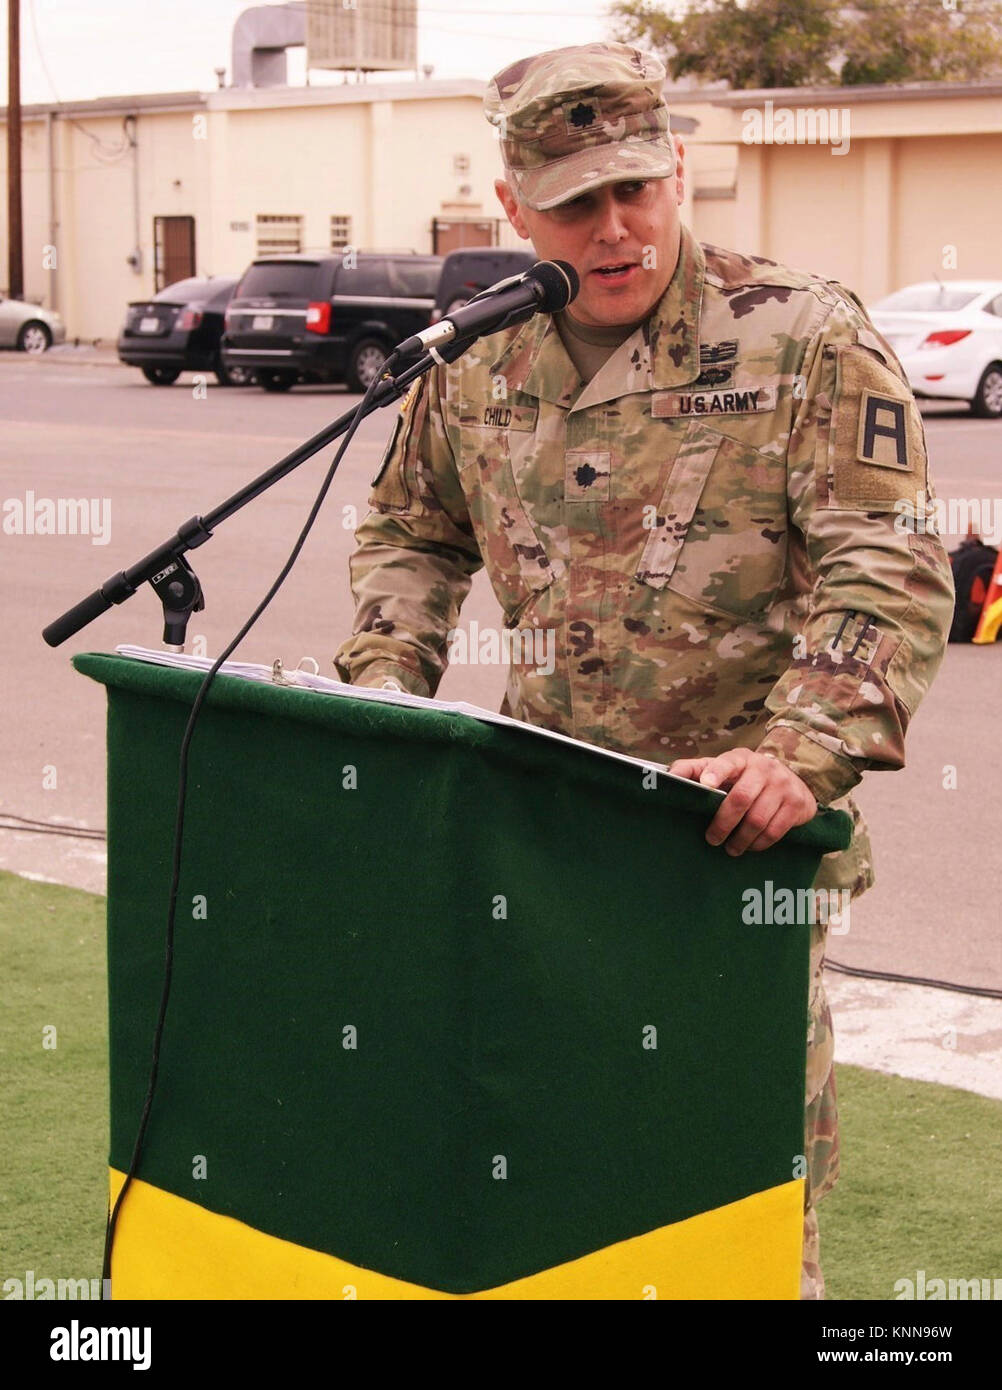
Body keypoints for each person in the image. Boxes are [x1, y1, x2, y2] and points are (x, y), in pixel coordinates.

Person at [333, 41, 954, 1298]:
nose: (616, 228)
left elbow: (888, 570)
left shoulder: (801, 337)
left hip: (732, 848)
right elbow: (411, 529)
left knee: (732, 1189)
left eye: (637, 188)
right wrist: (386, 682)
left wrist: (799, 754)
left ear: (679, 169)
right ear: (514, 208)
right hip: (542, 843)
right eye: (575, 201)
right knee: (553, 1170)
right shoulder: (474, 360)